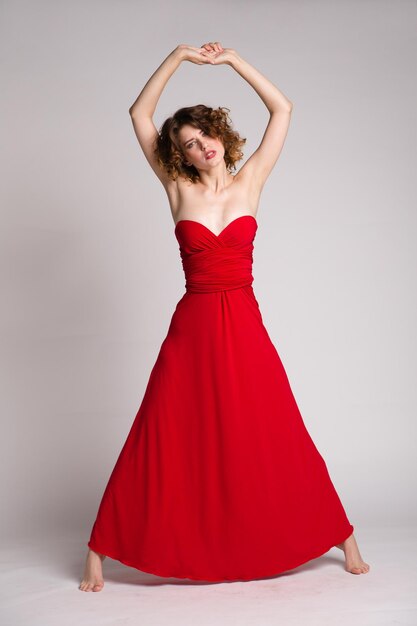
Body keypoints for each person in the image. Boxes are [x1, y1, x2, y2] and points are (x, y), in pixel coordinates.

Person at [79, 42, 370, 592]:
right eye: (188, 144)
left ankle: (343, 537)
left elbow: (282, 109)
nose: (201, 147)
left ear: (219, 134)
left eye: (205, 134)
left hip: (242, 321)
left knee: (274, 423)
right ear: (180, 155)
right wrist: (177, 56)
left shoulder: (250, 181)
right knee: (161, 428)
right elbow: (139, 115)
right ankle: (101, 549)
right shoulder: (175, 188)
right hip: (192, 328)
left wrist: (234, 62)